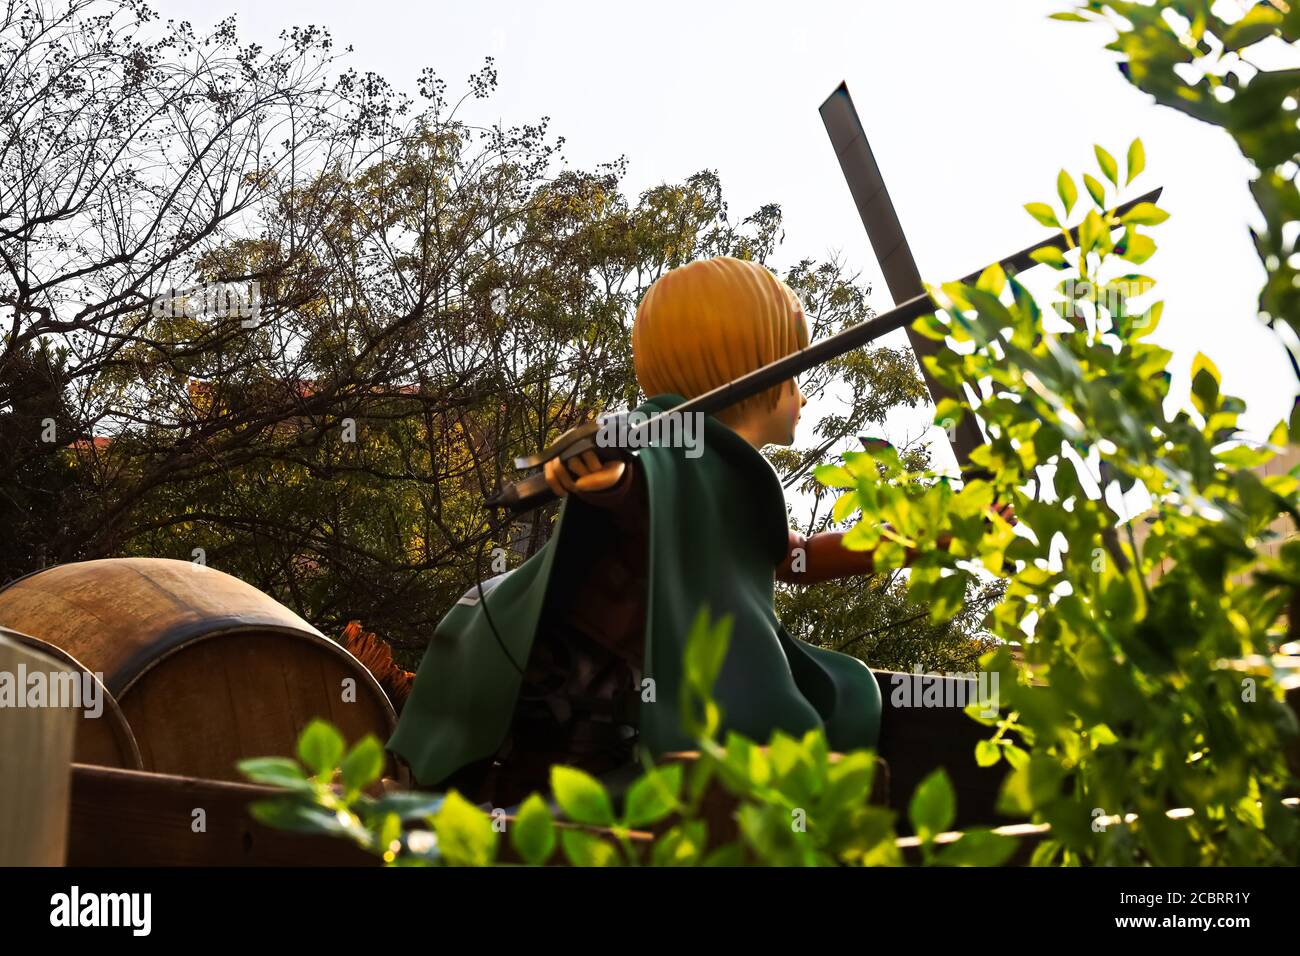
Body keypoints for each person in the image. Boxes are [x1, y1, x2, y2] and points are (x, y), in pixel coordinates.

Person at [388, 256, 892, 805]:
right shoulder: (666, 448)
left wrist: (915, 539)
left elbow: (796, 559)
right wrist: (606, 476)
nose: (800, 394)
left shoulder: (730, 472)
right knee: (813, 717)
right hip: (604, 695)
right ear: (746, 372)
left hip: (638, 686)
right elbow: (636, 489)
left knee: (848, 689)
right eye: (792, 373)